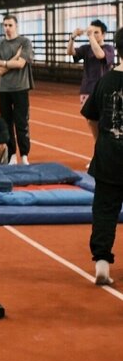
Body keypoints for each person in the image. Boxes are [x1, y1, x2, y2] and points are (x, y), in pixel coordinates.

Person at [80, 26, 123, 286]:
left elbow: (91, 116)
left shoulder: (106, 81)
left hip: (109, 154)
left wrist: (100, 141)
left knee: (105, 210)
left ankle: (102, 263)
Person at [0, 14, 35, 165]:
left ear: (16, 26)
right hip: (4, 89)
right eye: (5, 25)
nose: (7, 28)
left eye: (10, 25)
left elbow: (21, 64)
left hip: (21, 88)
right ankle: (11, 155)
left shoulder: (25, 42)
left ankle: (24, 155)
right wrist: (12, 60)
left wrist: (5, 64)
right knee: (7, 123)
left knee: (21, 123)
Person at [67, 19, 114, 107]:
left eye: (96, 32)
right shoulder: (86, 48)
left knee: (103, 119)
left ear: (103, 35)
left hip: (103, 90)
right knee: (89, 120)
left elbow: (100, 55)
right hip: (87, 89)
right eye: (92, 32)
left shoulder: (109, 48)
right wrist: (72, 37)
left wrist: (91, 36)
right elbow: (70, 52)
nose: (93, 34)